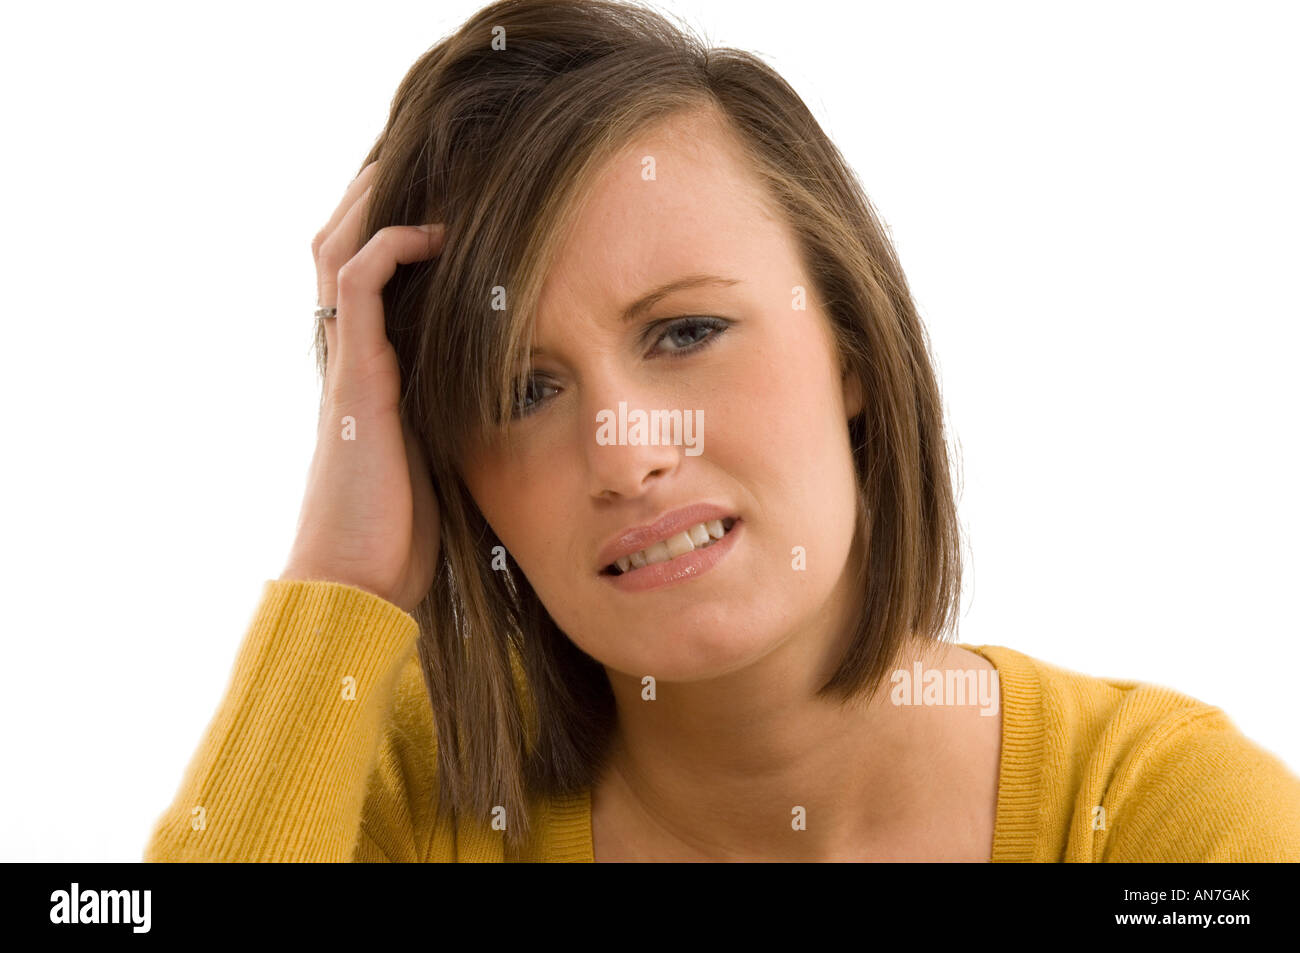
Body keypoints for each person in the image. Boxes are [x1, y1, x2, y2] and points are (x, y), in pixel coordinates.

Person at [144, 0, 1300, 862]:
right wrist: (343, 576)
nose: (625, 452)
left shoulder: (1157, 821)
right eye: (522, 391)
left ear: (850, 345)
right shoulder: (407, 792)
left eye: (686, 331)